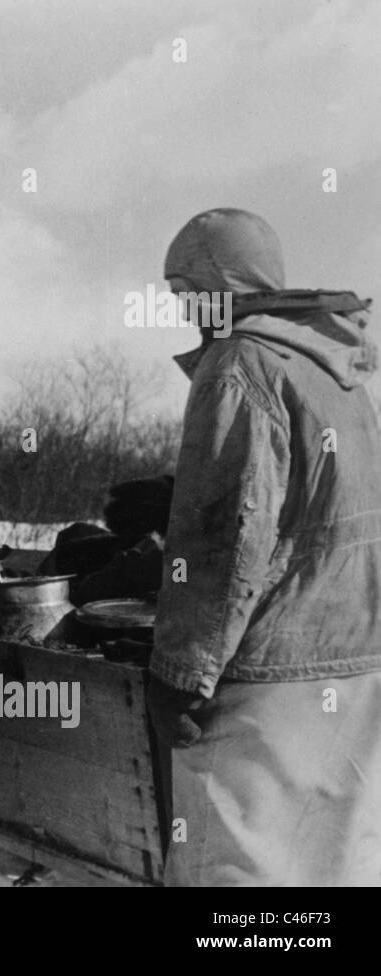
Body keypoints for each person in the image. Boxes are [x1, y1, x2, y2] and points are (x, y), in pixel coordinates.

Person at [147, 208, 381, 885]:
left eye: (186, 290)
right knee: (332, 870)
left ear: (218, 287)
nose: (183, 309)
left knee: (241, 876)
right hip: (357, 667)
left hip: (271, 684)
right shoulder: (338, 371)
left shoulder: (239, 362)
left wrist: (182, 671)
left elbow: (226, 537)